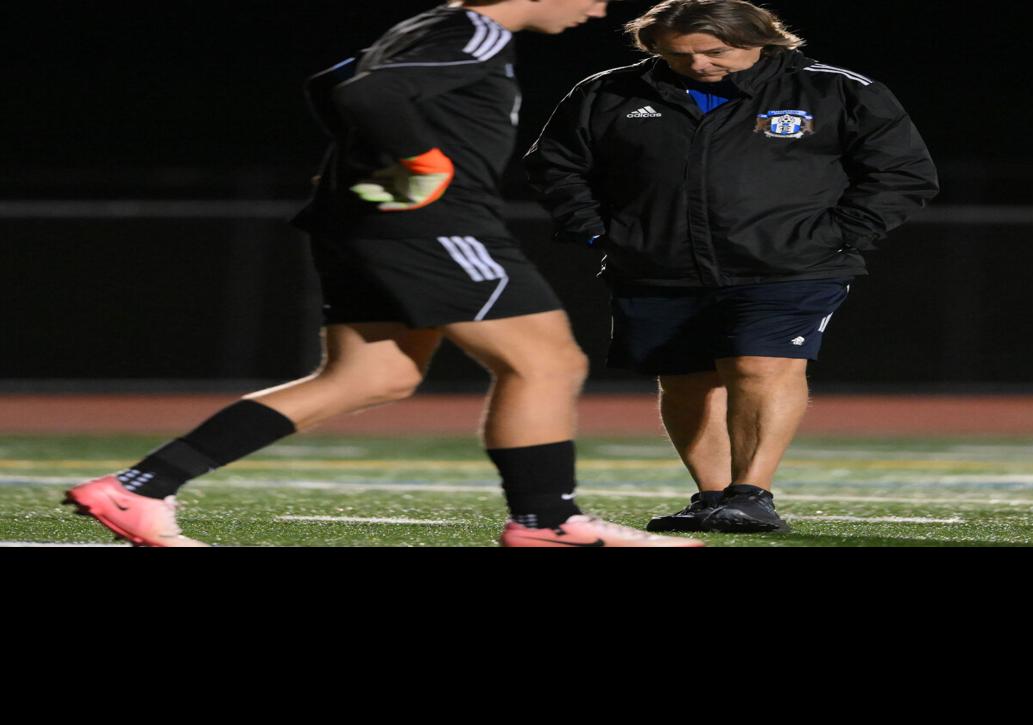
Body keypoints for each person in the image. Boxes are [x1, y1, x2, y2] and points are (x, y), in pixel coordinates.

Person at [63, 0, 703, 548]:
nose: (597, 9)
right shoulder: (476, 32)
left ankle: (138, 488)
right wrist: (421, 162)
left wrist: (363, 165)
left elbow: (329, 82)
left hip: (367, 220)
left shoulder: (429, 26)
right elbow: (364, 92)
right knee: (547, 362)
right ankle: (547, 520)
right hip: (434, 225)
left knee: (374, 374)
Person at [524, 0, 939, 533]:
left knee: (759, 366)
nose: (699, 65)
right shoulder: (607, 91)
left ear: (763, 39)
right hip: (657, 263)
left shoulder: (837, 89)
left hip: (791, 266)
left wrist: (834, 236)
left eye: (716, 51)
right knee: (685, 381)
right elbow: (555, 165)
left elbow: (903, 173)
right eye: (679, 55)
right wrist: (596, 229)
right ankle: (713, 496)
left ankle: (752, 494)